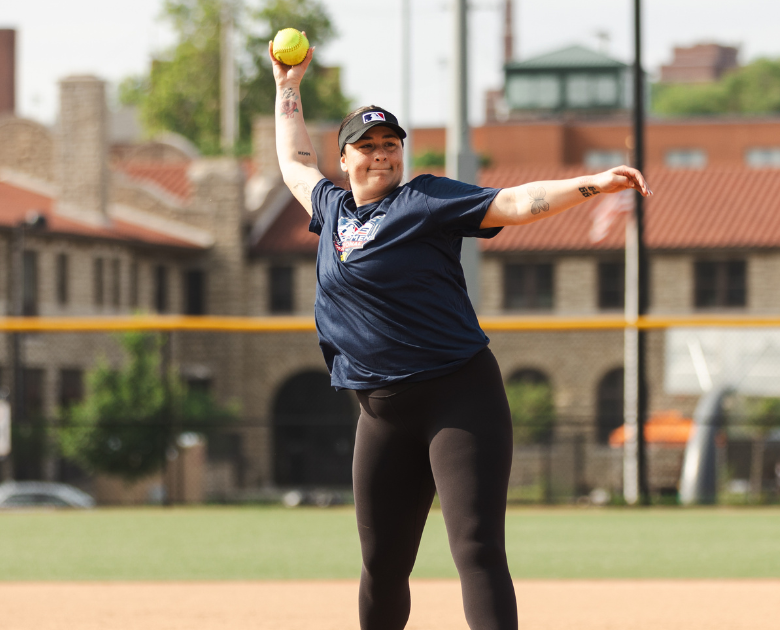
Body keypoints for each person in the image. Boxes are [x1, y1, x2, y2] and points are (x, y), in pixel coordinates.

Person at [271, 41, 650, 630]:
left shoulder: (424, 199)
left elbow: (516, 202)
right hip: (381, 412)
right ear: (344, 160)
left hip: (458, 397)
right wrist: (286, 87)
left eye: (389, 145)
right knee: (382, 564)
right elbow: (295, 162)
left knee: (475, 549)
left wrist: (592, 185)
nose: (380, 154)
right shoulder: (330, 210)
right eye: (365, 147)